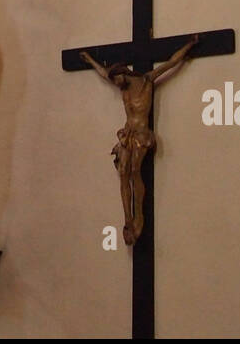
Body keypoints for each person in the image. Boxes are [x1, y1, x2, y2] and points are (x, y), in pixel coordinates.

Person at [79, 37, 198, 246]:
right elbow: (103, 74)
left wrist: (189, 45)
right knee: (123, 171)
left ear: (124, 73)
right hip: (127, 134)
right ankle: (127, 219)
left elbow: (170, 63)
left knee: (135, 171)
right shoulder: (122, 86)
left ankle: (139, 217)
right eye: (115, 81)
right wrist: (89, 60)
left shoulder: (146, 81)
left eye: (117, 80)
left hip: (142, 135)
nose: (116, 85)